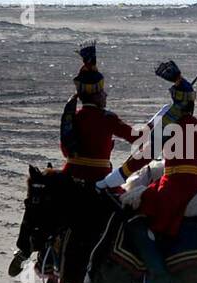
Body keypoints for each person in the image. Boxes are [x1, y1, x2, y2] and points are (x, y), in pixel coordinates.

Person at [97, 61, 197, 283]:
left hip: (173, 189)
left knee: (136, 215)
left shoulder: (169, 129)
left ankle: (156, 274)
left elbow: (141, 159)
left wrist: (110, 180)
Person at [59, 42, 140, 182]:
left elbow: (65, 150)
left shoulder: (72, 116)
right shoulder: (107, 118)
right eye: (102, 92)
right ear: (96, 96)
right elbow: (135, 137)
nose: (106, 95)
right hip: (99, 176)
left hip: (70, 175)